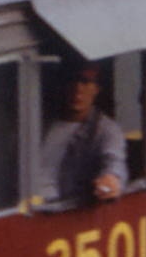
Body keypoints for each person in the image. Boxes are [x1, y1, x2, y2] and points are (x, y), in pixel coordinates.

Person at [46, 64, 130, 209]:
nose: (78, 89)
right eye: (72, 81)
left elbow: (114, 161)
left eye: (85, 82)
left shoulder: (106, 130)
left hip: (59, 210)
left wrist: (112, 179)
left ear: (96, 89)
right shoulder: (42, 123)